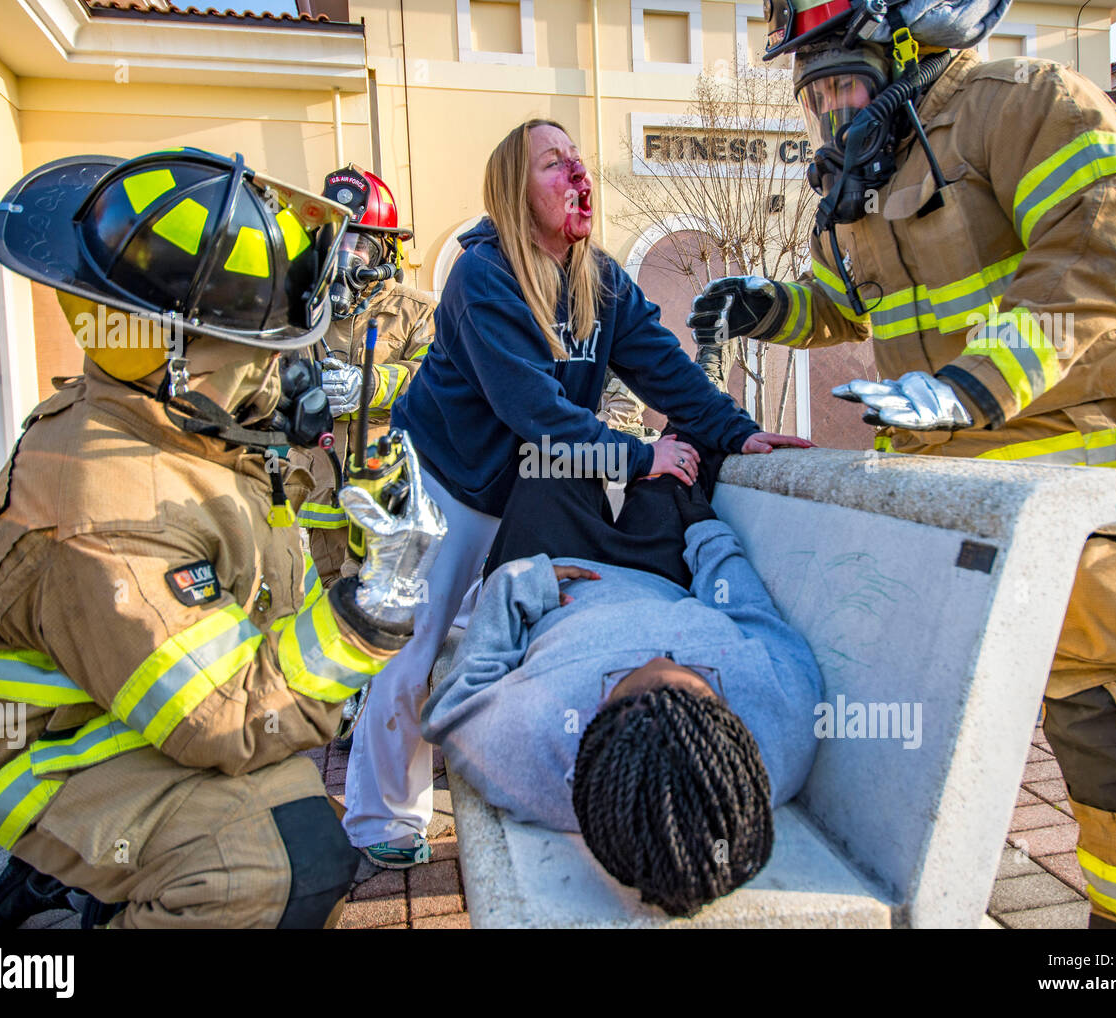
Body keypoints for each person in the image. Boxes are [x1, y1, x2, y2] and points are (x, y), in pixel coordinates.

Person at [690, 0, 1116, 928]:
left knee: (1102, 708)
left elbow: (1097, 245)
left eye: (844, 86)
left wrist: (973, 387)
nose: (833, 116)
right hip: (947, 490)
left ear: (909, 44)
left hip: (1068, 475)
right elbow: (848, 300)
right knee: (930, 702)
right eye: (817, 98)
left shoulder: (1025, 104)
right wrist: (771, 306)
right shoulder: (872, 166)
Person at [0, 148, 445, 929]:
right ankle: (84, 876)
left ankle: (93, 876)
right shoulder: (112, 508)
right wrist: (371, 610)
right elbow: (226, 715)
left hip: (109, 708)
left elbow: (249, 566)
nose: (285, 380)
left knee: (293, 806)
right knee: (278, 865)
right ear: (181, 359)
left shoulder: (172, 422)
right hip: (44, 754)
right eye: (264, 357)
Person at [342, 117, 810, 869]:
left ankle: (514, 767)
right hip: (445, 482)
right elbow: (534, 410)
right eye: (554, 164)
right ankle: (383, 822)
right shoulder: (483, 275)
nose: (578, 174)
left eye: (579, 161)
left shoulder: (602, 280)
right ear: (515, 190)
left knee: (511, 632)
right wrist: (641, 456)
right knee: (412, 645)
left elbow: (666, 370)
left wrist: (740, 433)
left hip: (523, 483)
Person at [422, 432, 822, 916]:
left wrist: (520, 586)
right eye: (690, 675)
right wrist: (706, 532)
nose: (655, 658)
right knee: (685, 451)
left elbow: (454, 702)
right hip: (663, 573)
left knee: (550, 457)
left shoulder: (529, 749)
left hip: (555, 572)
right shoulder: (781, 726)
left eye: (627, 685)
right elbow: (751, 611)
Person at [294, 165, 436, 587]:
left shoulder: (418, 312)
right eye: (337, 240)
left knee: (384, 597)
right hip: (320, 490)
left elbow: (437, 380)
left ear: (385, 253)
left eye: (359, 244)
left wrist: (367, 385)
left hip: (386, 487)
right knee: (331, 599)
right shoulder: (301, 311)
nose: (345, 255)